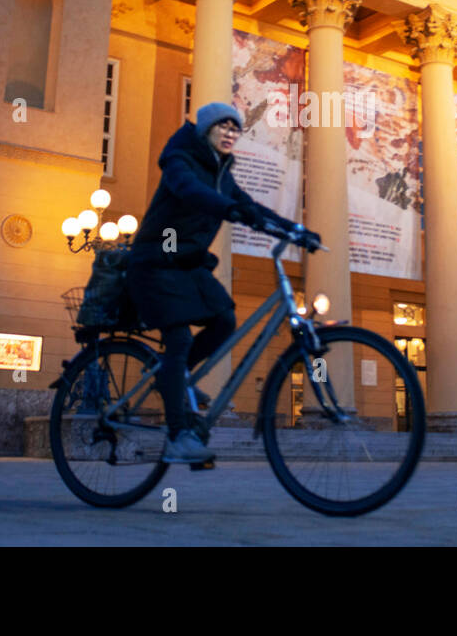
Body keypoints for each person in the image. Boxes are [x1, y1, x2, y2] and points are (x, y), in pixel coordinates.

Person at [125, 102, 320, 464]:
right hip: (156, 260)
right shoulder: (180, 159)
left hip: (188, 264)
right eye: (223, 127)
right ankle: (178, 436)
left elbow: (249, 206)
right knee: (180, 338)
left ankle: (172, 374)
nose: (231, 133)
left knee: (224, 320)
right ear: (205, 130)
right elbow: (188, 191)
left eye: (236, 129)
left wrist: (296, 231)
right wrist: (226, 208)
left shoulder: (222, 172)